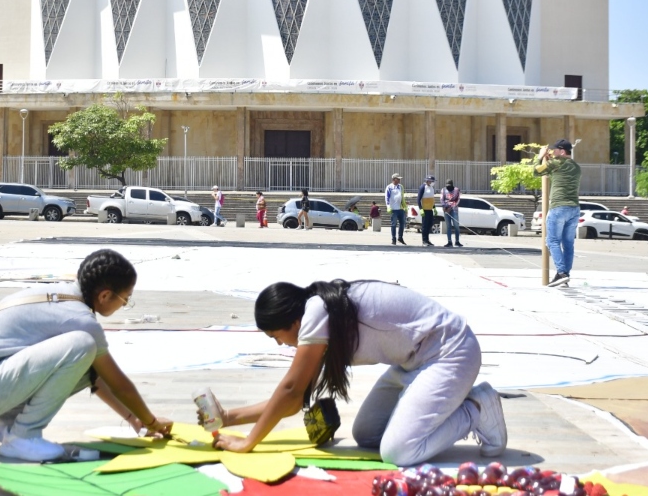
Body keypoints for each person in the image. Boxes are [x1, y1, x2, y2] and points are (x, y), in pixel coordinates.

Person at [209, 279, 506, 467]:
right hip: (413, 361)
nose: (279, 344)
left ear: (293, 322)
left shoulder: (316, 313)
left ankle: (477, 408)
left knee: (398, 452)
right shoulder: (321, 316)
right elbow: (293, 401)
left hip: (451, 352)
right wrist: (228, 418)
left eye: (276, 336)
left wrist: (249, 442)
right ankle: (427, 407)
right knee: (367, 435)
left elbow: (290, 390)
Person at [0, 249, 173, 461]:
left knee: (84, 357)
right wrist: (151, 422)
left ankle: (0, 423)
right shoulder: (82, 321)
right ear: (105, 295)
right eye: (125, 299)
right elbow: (119, 385)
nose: (124, 305)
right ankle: (23, 437)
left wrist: (135, 419)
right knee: (82, 345)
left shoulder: (60, 294)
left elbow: (96, 377)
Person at [535, 139, 582, 287]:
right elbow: (558, 171)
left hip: (558, 207)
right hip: (574, 209)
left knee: (552, 241)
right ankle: (565, 275)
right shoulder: (576, 166)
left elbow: (536, 171)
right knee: (568, 245)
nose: (552, 152)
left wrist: (540, 156)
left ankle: (561, 273)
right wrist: (550, 160)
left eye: (554, 150)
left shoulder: (556, 163)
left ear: (562, 151)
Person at [385, 174, 407, 245]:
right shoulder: (389, 187)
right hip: (393, 209)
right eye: (398, 179)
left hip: (400, 208)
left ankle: (400, 237)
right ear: (394, 179)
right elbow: (387, 197)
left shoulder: (401, 187)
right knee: (393, 224)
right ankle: (393, 238)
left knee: (402, 224)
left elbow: (402, 197)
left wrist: (405, 206)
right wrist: (388, 206)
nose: (399, 180)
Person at [417, 175, 437, 247]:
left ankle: (427, 240)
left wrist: (434, 207)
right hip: (424, 209)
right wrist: (421, 209)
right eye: (432, 181)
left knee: (430, 224)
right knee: (425, 226)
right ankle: (424, 240)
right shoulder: (423, 187)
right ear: (428, 181)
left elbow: (432, 199)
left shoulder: (431, 188)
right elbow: (418, 199)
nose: (433, 183)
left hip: (430, 209)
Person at [442, 179, 461, 248]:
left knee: (456, 226)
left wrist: (451, 207)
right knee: (448, 226)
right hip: (446, 210)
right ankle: (449, 242)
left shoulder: (456, 190)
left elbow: (458, 200)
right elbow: (442, 199)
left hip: (454, 210)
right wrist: (445, 207)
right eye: (447, 186)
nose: (448, 187)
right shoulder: (443, 190)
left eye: (449, 186)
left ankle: (457, 241)